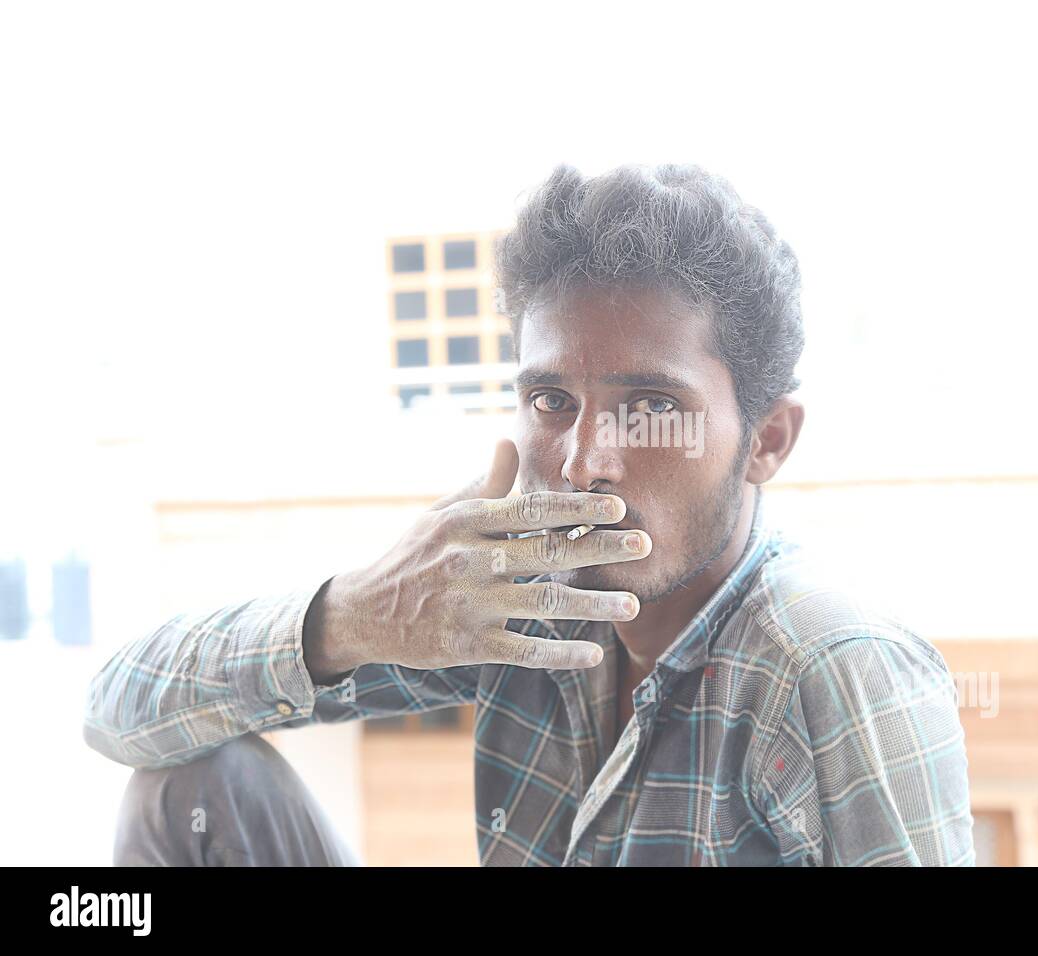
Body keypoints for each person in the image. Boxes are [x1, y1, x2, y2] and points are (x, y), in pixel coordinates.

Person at [84, 163, 977, 866]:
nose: (587, 460)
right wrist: (352, 615)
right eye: (552, 401)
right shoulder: (514, 597)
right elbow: (117, 712)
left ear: (769, 440)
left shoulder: (833, 668)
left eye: (652, 407)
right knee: (189, 791)